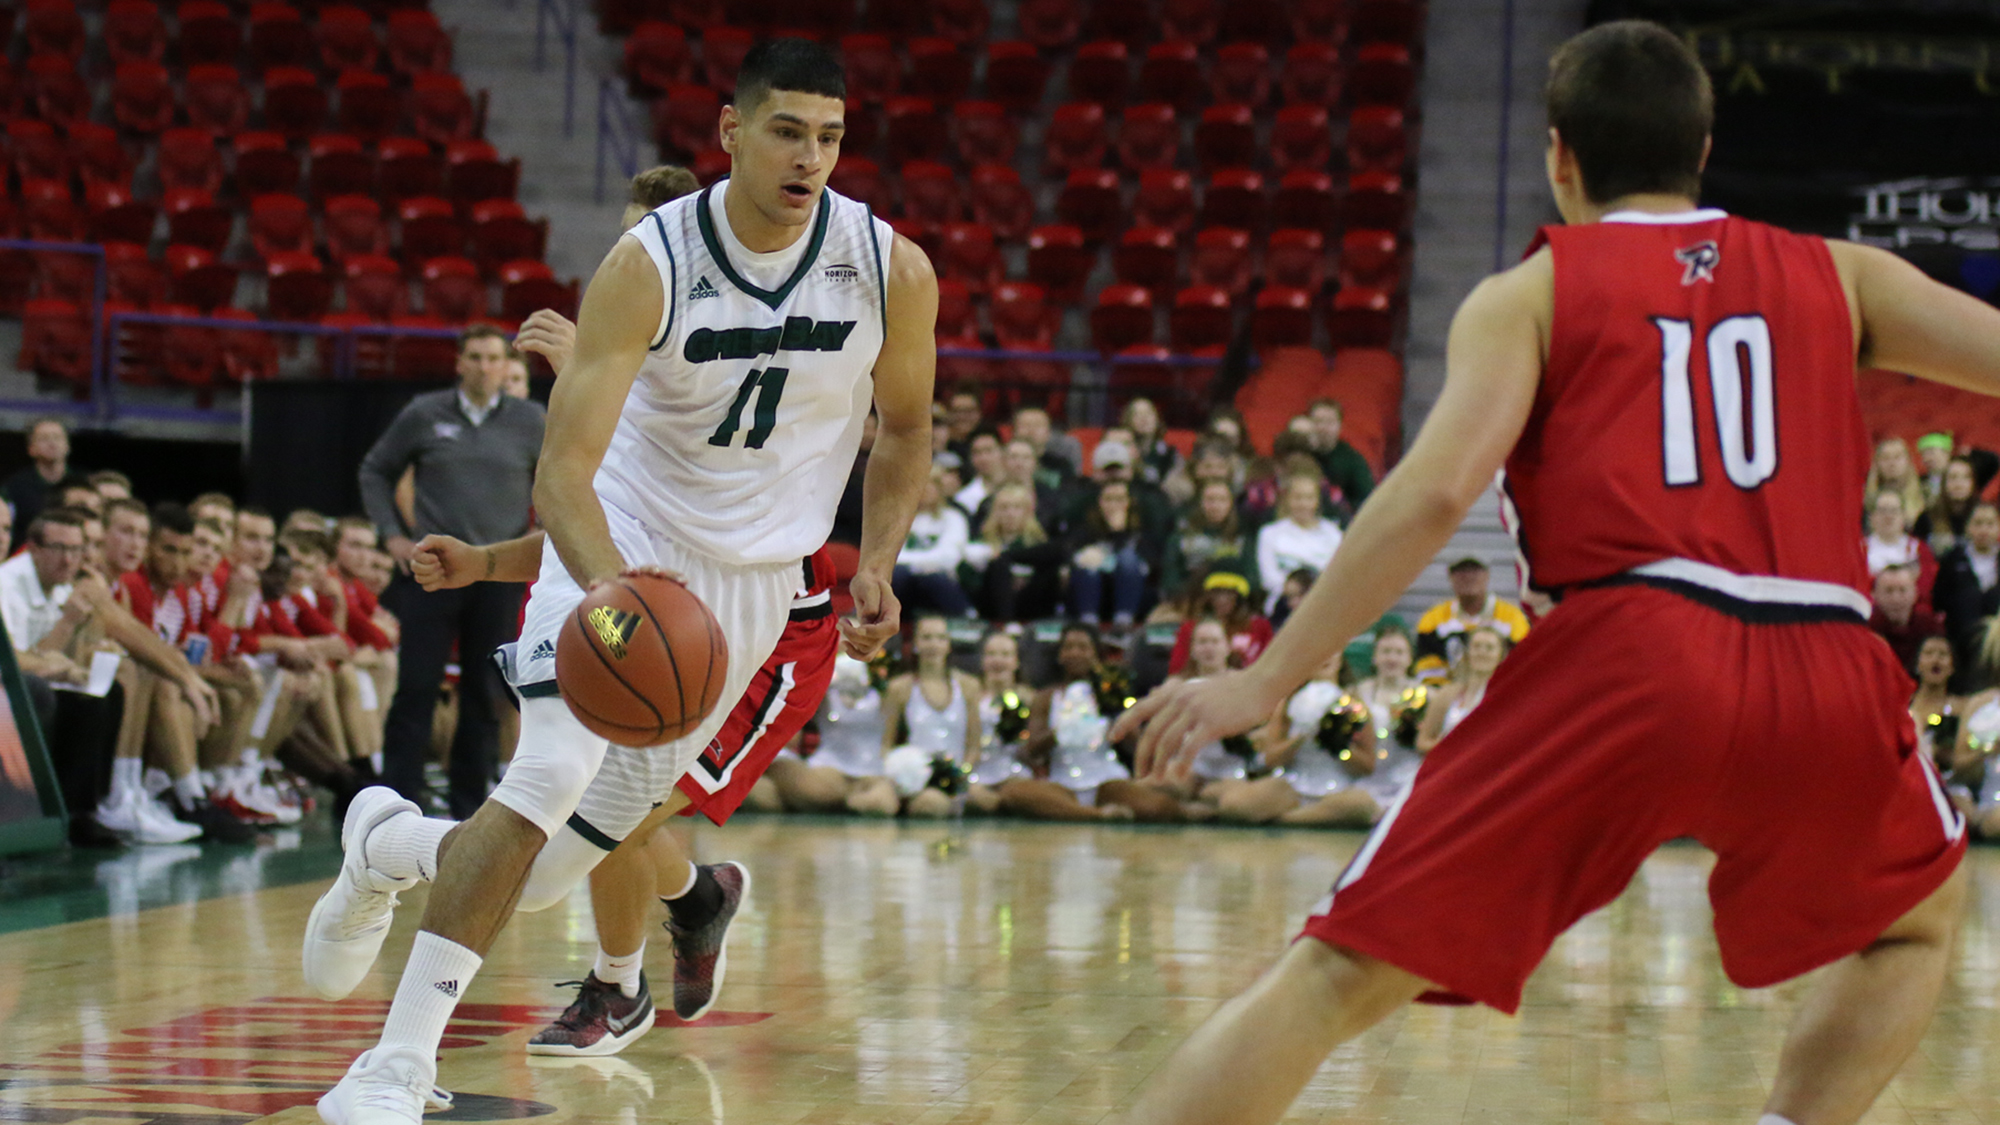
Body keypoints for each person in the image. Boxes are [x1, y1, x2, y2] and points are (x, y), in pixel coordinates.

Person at [1109, 23, 1972, 1125]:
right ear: (1702, 147)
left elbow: (1428, 494)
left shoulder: (1531, 290)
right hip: (1827, 659)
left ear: (1558, 156)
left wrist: (1265, 678)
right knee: (1911, 921)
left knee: (1338, 971)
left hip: (1636, 648)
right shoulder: (1841, 274)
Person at [302, 38, 936, 1124]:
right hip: (623, 545)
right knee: (542, 781)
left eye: (829, 137)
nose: (810, 158)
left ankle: (384, 843)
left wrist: (874, 560)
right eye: (787, 130)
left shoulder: (890, 267)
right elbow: (561, 472)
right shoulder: (650, 260)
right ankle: (396, 1065)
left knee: (546, 870)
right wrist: (609, 595)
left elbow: (907, 428)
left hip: (751, 592)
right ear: (732, 132)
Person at [357, 324, 544, 819]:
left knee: (484, 693)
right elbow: (375, 469)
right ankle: (396, 802)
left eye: (494, 358)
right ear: (459, 362)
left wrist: (546, 533)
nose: (485, 367)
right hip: (433, 569)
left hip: (497, 574)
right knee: (417, 684)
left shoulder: (532, 421)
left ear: (508, 367)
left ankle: (469, 808)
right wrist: (392, 535)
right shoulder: (425, 413)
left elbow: (557, 481)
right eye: (476, 357)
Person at [0, 507, 159, 844]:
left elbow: (48, 651)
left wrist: (90, 653)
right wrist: (65, 634)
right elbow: (14, 660)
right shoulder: (8, 582)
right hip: (18, 685)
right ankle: (25, 817)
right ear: (34, 548)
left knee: (103, 692)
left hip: (29, 680)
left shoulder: (64, 587)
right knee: (36, 693)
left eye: (77, 549)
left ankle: (84, 810)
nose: (70, 559)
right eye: (61, 549)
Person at [996, 623, 1182, 823]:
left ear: (1095, 655)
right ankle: (1096, 815)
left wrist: (1115, 716)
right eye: (1069, 647)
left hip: (1108, 783)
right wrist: (1059, 733)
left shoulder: (1112, 691)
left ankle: (1080, 813)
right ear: (1059, 655)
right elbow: (1030, 751)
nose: (1075, 653)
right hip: (1062, 786)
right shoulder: (1047, 697)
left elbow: (1135, 746)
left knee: (1159, 804)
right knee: (1014, 792)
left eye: (1083, 648)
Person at [880, 614, 980, 817]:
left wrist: (960, 774)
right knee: (887, 803)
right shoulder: (900, 688)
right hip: (914, 777)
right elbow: (885, 745)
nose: (933, 644)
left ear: (948, 645)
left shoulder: (969, 686)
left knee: (939, 804)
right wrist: (899, 774)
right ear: (915, 644)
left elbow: (973, 746)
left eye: (941, 638)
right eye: (926, 638)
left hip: (955, 776)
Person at [1411, 556, 1531, 683]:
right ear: (1450, 578)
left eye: (1474, 571)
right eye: (1461, 572)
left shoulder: (1512, 616)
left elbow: (1523, 659)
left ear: (1487, 576)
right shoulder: (1433, 618)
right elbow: (1426, 664)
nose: (1468, 577)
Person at [959, 482, 1063, 622]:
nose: (1010, 514)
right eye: (1004, 508)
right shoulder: (981, 543)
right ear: (994, 512)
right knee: (998, 566)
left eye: (1017, 508)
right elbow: (967, 579)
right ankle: (1006, 623)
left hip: (1032, 605)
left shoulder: (1038, 544)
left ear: (1027, 512)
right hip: (990, 607)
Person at [1932, 501, 2000, 692]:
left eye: (1989, 524)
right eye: (1978, 523)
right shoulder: (1952, 560)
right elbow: (1939, 601)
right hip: (1960, 646)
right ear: (1968, 527)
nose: (1983, 530)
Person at [1254, 474, 1343, 614]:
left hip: (1324, 605)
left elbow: (1337, 574)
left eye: (1309, 498)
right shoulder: (1269, 533)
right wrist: (1296, 592)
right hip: (1282, 606)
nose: (1303, 504)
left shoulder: (1333, 534)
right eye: (1297, 497)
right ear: (1287, 499)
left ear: (1317, 501)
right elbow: (1269, 579)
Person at [965, 630, 1032, 812]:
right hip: (978, 774)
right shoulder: (971, 698)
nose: (998, 660)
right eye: (991, 654)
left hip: (1016, 773)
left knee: (1022, 793)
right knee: (973, 796)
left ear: (1016, 661)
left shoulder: (1029, 698)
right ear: (982, 661)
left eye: (1005, 654)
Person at [892, 465, 973, 617]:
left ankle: (965, 618)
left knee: (934, 579)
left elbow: (949, 557)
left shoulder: (954, 518)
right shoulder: (898, 518)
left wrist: (913, 566)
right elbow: (891, 557)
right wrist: (919, 567)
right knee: (897, 576)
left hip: (939, 581)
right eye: (921, 484)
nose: (926, 489)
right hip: (903, 582)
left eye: (932, 484)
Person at [1414, 625, 1506, 753]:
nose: (1482, 652)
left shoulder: (1504, 697)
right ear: (1468, 652)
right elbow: (1422, 742)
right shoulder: (1447, 694)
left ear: (1500, 654)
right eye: (1477, 646)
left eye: (1489, 648)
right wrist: (1449, 746)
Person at [1160, 480, 1249, 603]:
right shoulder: (1182, 537)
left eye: (1222, 500)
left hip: (1235, 602)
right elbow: (1170, 580)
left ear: (1231, 504)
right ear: (1200, 503)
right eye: (1210, 500)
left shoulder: (1244, 536)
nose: (1215, 506)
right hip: (1190, 599)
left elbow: (1252, 577)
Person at [1165, 570, 1271, 674]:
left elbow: (1271, 665)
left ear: (1240, 597)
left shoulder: (1259, 626)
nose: (1222, 599)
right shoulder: (1191, 628)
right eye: (1216, 593)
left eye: (1230, 593)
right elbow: (1177, 669)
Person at [2, 418, 71, 550]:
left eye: (57, 437)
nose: (52, 443)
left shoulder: (81, 484)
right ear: (31, 448)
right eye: (44, 438)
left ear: (68, 446)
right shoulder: (14, 488)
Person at [1870, 564, 1944, 675]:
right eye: (1888, 591)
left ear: (1915, 594)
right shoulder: (1868, 630)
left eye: (1903, 590)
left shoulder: (1930, 628)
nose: (1896, 599)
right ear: (1875, 595)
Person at [1304, 398, 1375, 510]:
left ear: (1339, 426)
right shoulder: (1300, 454)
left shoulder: (1352, 460)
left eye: (1329, 422)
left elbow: (1366, 499)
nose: (1323, 428)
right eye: (1318, 421)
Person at [1864, 489, 1935, 600]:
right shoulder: (1860, 549)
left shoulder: (1919, 549)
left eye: (1894, 511)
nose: (1888, 516)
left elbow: (1926, 588)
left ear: (1903, 516)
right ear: (1871, 517)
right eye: (1882, 511)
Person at [1920, 455, 1982, 557]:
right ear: (1943, 483)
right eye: (1953, 477)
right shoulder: (1926, 518)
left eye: (1966, 477)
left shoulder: (1983, 516)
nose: (1959, 484)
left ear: (1973, 483)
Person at [1866, 435, 1926, 533]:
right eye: (1885, 458)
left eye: (1897, 457)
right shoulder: (1865, 500)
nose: (1892, 463)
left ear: (1908, 461)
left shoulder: (1925, 496)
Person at [1916, 432, 1997, 502]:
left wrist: (1972, 452)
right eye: (1923, 454)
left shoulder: (1966, 476)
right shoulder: (1919, 483)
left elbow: (1993, 461)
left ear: (1947, 453)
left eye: (1931, 452)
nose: (1927, 458)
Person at [1122, 397, 1182, 488]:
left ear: (1157, 419)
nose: (1143, 418)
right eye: (1137, 414)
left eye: (1148, 413)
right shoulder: (1121, 449)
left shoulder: (1169, 453)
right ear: (1128, 421)